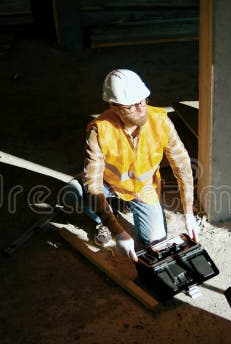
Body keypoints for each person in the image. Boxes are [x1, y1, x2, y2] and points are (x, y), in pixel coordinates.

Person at [62, 69, 199, 262]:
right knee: (70, 194)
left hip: (143, 189)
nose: (140, 108)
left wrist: (188, 212)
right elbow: (93, 184)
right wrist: (117, 230)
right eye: (131, 106)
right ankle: (102, 219)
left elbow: (183, 166)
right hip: (108, 183)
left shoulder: (161, 121)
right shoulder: (99, 130)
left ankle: (120, 207)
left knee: (157, 242)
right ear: (114, 106)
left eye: (143, 101)